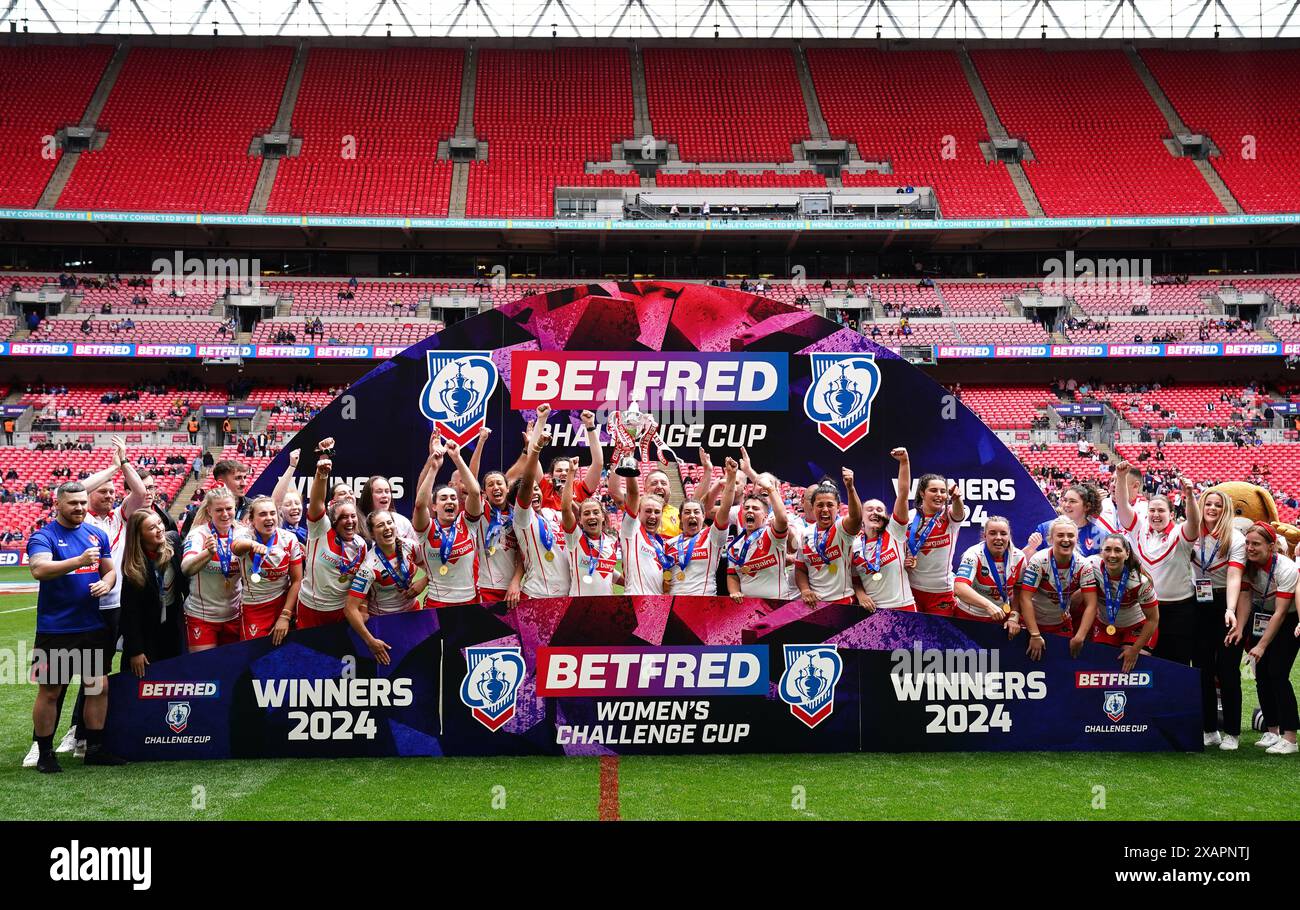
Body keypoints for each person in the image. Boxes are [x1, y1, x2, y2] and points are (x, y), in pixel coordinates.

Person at [57, 438, 147, 757]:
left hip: (119, 605)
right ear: (88, 497)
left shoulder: (119, 518)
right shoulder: (82, 520)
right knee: (80, 673)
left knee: (102, 673)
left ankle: (91, 732)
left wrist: (124, 464)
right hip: (89, 608)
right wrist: (111, 467)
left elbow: (141, 494)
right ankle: (73, 732)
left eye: (112, 491)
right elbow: (76, 487)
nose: (110, 495)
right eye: (103, 491)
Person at [26, 482, 123, 772]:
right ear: (58, 504)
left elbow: (110, 571)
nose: (79, 508)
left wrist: (107, 583)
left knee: (98, 687)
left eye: (82, 502)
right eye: (73, 503)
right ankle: (45, 753)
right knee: (51, 691)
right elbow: (39, 569)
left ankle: (93, 748)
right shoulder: (44, 536)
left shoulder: (97, 534)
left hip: (92, 625)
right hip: (56, 628)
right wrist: (78, 561)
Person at [1115, 463, 1200, 669]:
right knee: (1146, 664)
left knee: (1177, 664)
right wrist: (1120, 476)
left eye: (1161, 510)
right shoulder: (1139, 529)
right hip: (1145, 609)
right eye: (1152, 510)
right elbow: (1123, 506)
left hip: (1179, 610)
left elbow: (1195, 523)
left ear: (1171, 514)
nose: (1155, 514)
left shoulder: (1179, 533)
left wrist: (1189, 496)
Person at [1194, 487, 1248, 749]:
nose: (1212, 508)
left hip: (1227, 602)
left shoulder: (1235, 538)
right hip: (1196, 603)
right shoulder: (1190, 531)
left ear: (1225, 509)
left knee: (1227, 670)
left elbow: (1235, 576)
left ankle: (1233, 732)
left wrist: (1230, 609)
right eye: (1208, 503)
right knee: (1202, 669)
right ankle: (1208, 728)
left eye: (1218, 505)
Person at [1240, 522, 1299, 754]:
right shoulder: (1247, 564)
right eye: (1247, 543)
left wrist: (1262, 645)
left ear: (1271, 546)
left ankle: (1290, 737)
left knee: (1278, 674)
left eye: (1256, 544)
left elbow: (1281, 612)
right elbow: (1245, 598)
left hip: (1287, 621)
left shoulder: (1285, 568)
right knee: (1261, 675)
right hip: (1260, 616)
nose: (1250, 548)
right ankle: (1272, 730)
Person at [297, 441, 368, 628]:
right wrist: (322, 474)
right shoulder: (320, 530)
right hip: (310, 609)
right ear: (332, 519)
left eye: (353, 516)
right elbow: (318, 501)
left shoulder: (361, 545)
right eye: (344, 517)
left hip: (341, 611)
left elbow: (363, 581)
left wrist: (363, 607)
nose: (350, 521)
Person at [181, 488, 261, 651]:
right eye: (219, 510)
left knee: (231, 670)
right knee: (206, 672)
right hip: (202, 616)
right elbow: (186, 568)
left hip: (234, 616)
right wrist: (207, 553)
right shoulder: (198, 535)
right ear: (209, 511)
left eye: (229, 509)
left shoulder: (244, 533)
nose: (225, 514)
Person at [889, 448, 966, 616]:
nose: (939, 495)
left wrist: (957, 499)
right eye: (934, 490)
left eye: (943, 491)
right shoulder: (909, 518)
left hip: (941, 591)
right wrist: (905, 560)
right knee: (913, 639)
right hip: (911, 589)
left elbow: (959, 514)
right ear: (922, 493)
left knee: (938, 639)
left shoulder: (949, 516)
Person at [346, 510, 428, 664]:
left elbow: (435, 566)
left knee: (418, 666)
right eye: (380, 525)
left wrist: (424, 581)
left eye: (389, 523)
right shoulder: (369, 566)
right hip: (385, 622)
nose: (387, 528)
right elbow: (350, 609)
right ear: (371, 534)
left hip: (413, 615)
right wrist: (370, 641)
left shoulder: (409, 546)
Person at [510, 406, 571, 600]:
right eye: (530, 490)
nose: (535, 492)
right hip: (535, 595)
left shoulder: (554, 514)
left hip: (568, 595)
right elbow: (528, 481)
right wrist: (535, 447)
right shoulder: (521, 517)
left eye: (538, 489)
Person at [1018, 517, 1099, 660]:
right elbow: (1025, 598)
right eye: (1060, 535)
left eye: (1070, 535)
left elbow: (1091, 604)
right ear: (1050, 538)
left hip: (1061, 625)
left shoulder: (1083, 564)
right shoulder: (1039, 560)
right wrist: (1035, 634)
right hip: (1032, 624)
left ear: (1077, 538)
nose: (1066, 539)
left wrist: (1080, 637)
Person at [412, 439, 481, 607]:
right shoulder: (427, 528)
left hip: (469, 601)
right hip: (438, 603)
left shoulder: (468, 523)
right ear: (434, 506)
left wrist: (457, 458)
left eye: (453, 498)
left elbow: (474, 492)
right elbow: (420, 504)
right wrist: (434, 468)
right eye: (443, 498)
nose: (449, 501)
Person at [119, 508, 185, 679]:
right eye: (151, 528)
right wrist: (136, 651)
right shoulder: (133, 568)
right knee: (146, 684)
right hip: (147, 633)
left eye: (159, 523)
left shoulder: (174, 543)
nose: (159, 529)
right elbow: (130, 613)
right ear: (139, 535)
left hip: (172, 628)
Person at [850, 453, 916, 613]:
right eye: (869, 509)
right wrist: (860, 595)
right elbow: (854, 579)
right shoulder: (853, 545)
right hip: (874, 611)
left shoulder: (895, 532)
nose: (875, 512)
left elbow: (903, 495)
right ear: (861, 517)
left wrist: (904, 462)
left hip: (904, 607)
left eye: (880, 510)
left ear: (886, 516)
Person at [1088, 533, 1160, 671]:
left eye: (1118, 550)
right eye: (1107, 549)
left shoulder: (1140, 581)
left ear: (1127, 554)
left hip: (1136, 627)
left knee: (1131, 668)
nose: (1112, 555)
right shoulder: (1091, 565)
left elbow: (1153, 619)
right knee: (1103, 669)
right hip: (1105, 626)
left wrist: (1135, 650)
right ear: (1101, 552)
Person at [667, 456, 738, 596]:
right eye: (687, 512)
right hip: (674, 603)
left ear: (703, 516)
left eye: (696, 512)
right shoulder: (669, 544)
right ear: (680, 517)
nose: (692, 515)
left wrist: (731, 478)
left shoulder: (712, 537)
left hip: (704, 602)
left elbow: (725, 508)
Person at [794, 468, 863, 605]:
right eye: (820, 505)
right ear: (813, 507)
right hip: (815, 604)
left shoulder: (841, 528)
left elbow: (856, 518)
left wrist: (850, 488)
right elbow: (800, 568)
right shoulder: (805, 534)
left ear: (838, 507)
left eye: (830, 505)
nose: (825, 509)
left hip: (843, 602)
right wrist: (805, 590)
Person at [239, 496, 303, 643]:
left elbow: (297, 580)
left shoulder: (289, 539)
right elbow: (236, 547)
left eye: (272, 513)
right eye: (262, 514)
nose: (269, 518)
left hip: (283, 604)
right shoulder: (245, 535)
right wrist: (251, 545)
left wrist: (285, 616)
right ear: (252, 520)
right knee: (254, 658)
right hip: (254, 607)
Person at [726, 469, 791, 602]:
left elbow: (783, 519)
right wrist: (734, 592)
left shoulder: (772, 535)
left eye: (755, 509)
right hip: (748, 609)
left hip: (777, 605)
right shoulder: (734, 546)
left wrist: (770, 489)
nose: (750, 511)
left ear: (765, 517)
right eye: (747, 508)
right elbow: (732, 575)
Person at [954, 515, 1028, 629]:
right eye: (993, 533)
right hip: (970, 616)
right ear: (985, 536)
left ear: (1009, 536)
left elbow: (1019, 591)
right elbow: (959, 587)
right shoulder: (974, 554)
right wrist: (988, 605)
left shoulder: (1019, 557)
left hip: (1001, 616)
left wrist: (1014, 616)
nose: (998, 537)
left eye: (1003, 533)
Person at [620, 465, 679, 596]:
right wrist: (630, 466)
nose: (653, 516)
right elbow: (633, 494)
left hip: (657, 604)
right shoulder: (632, 531)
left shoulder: (660, 543)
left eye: (657, 512)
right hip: (635, 601)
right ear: (638, 513)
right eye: (648, 511)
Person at [562, 465, 620, 595]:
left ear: (603, 517)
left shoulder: (611, 541)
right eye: (586, 513)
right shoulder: (575, 538)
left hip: (605, 608)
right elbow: (566, 509)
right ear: (580, 520)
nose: (592, 516)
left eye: (595, 512)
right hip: (579, 607)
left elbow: (608, 572)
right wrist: (571, 472)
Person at [472, 467, 518, 605]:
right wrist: (480, 444)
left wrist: (516, 583)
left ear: (508, 488)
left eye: (499, 483)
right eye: (490, 485)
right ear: (484, 493)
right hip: (487, 588)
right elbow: (472, 482)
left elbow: (523, 555)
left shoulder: (518, 515)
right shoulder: (481, 510)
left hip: (513, 589)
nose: (495, 487)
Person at [1034, 483, 1106, 559]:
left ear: (1087, 506)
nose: (1066, 505)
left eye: (1072, 501)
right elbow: (1025, 561)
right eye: (1065, 500)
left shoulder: (1099, 535)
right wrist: (1032, 547)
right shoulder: (1045, 528)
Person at [181, 458, 249, 536]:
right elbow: (185, 543)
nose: (244, 483)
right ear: (221, 482)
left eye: (245, 478)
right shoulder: (197, 514)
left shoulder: (253, 509)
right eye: (238, 478)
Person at [359, 474, 418, 545]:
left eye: (387, 491)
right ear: (368, 496)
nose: (384, 495)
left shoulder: (402, 522)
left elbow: (416, 548)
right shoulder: (359, 522)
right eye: (379, 491)